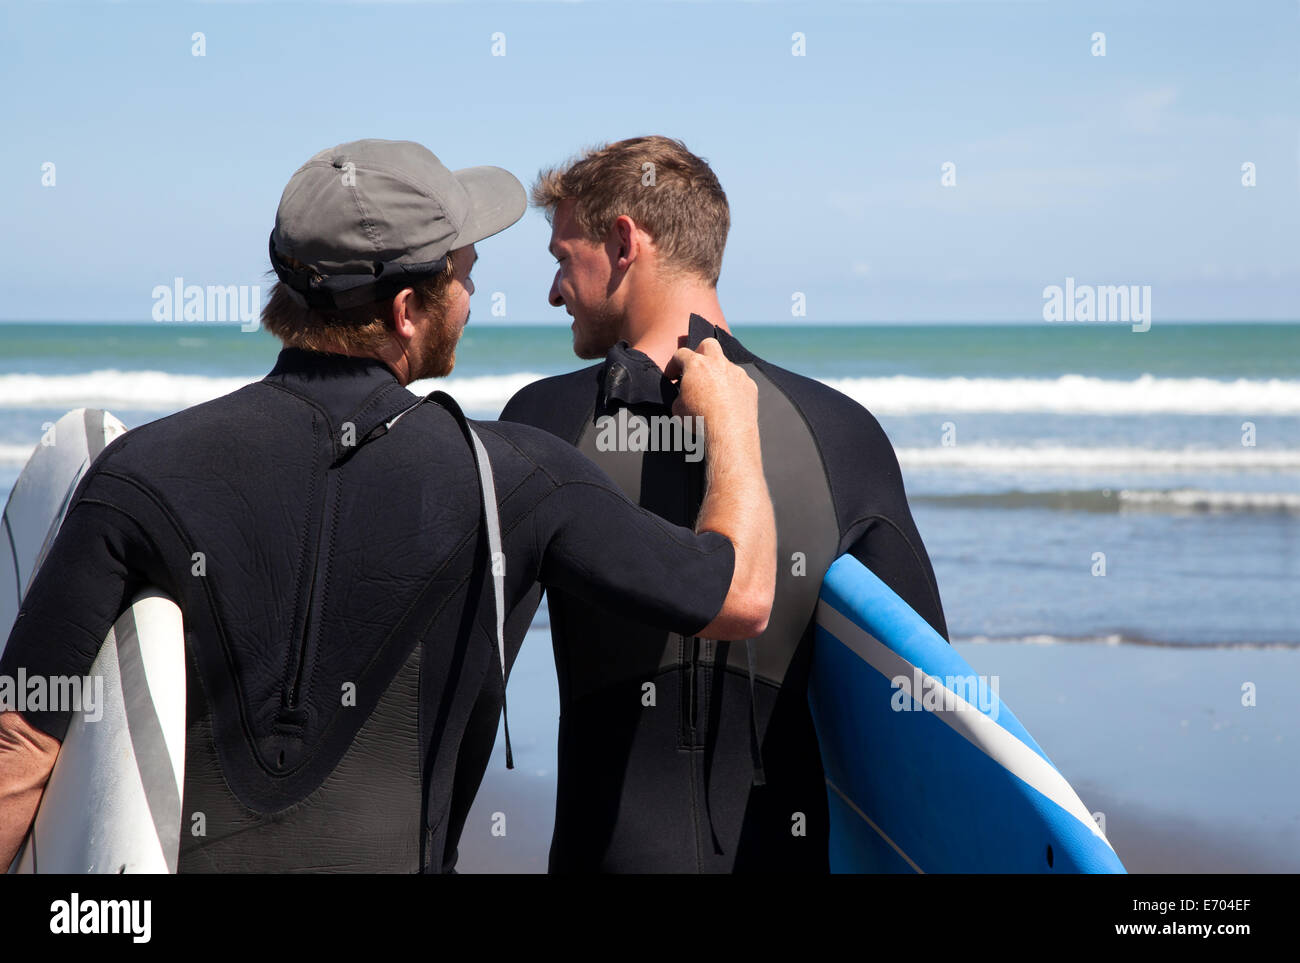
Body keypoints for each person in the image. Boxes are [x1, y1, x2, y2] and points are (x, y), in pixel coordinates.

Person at [0, 138, 776, 873]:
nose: (473, 296)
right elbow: (736, 594)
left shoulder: (138, 473)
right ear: (407, 310)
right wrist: (734, 427)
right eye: (465, 274)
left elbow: (22, 744)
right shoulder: (517, 479)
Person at [499, 135, 949, 873]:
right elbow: (927, 713)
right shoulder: (840, 433)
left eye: (560, 256)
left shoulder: (545, 424)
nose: (554, 291)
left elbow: (466, 677)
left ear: (621, 242)